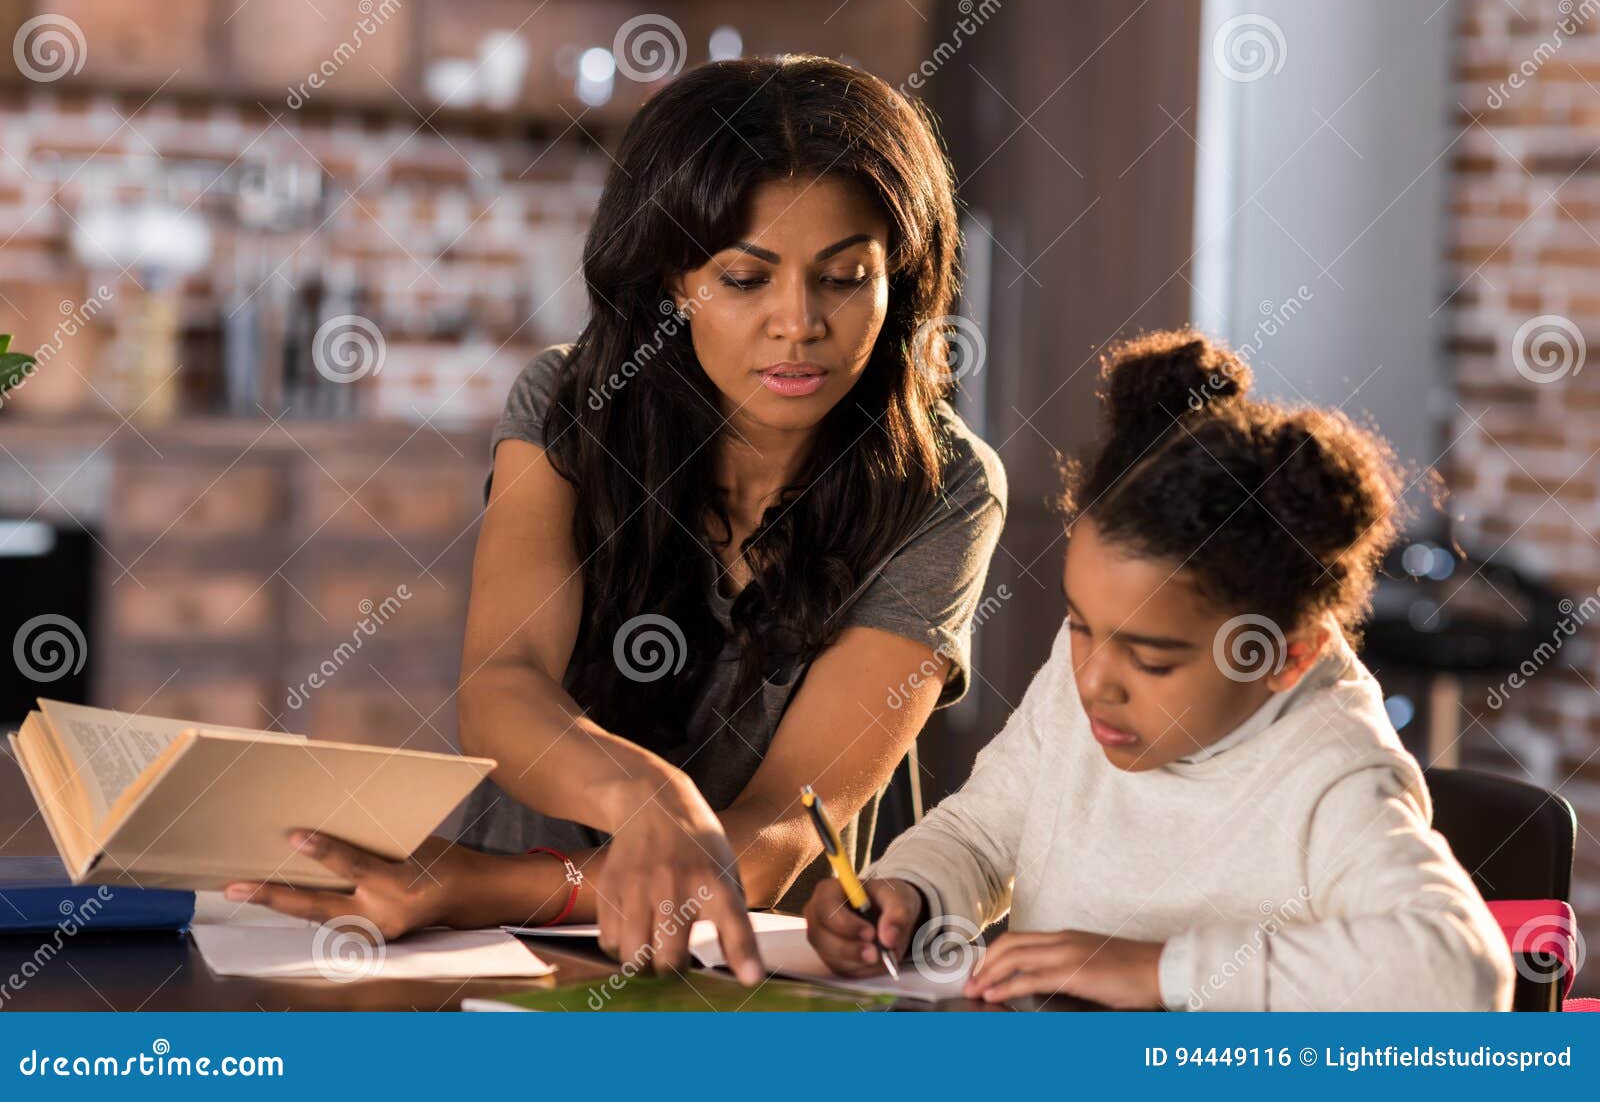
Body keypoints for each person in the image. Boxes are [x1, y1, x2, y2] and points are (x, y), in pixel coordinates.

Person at [225, 56, 1005, 981]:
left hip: (749, 973)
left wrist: (484, 885)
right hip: (502, 959)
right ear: (671, 281)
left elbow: (787, 826)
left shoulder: (944, 486)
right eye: (745, 279)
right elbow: (504, 688)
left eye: (844, 278)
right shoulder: (569, 405)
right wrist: (648, 795)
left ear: (901, 279)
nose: (798, 323)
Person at [803, 329, 1513, 1010]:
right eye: (1079, 626)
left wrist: (1157, 969)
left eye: (1150, 659)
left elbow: (1460, 972)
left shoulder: (1333, 770)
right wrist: (909, 891)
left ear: (1286, 655)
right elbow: (982, 834)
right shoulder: (1103, 666)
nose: (1092, 681)